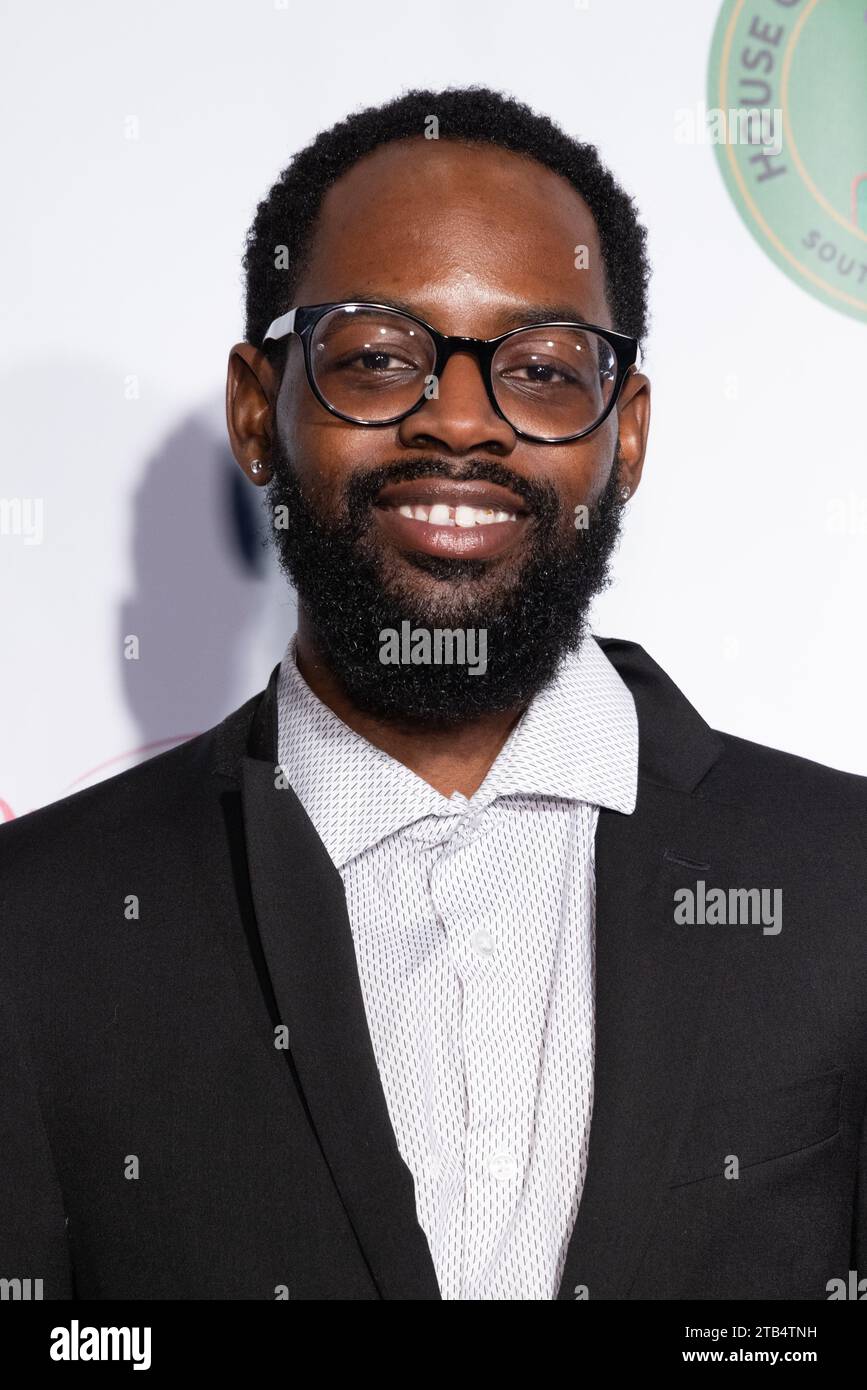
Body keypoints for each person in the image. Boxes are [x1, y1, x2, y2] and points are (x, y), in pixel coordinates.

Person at [2, 86, 865, 1302]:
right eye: (375, 356)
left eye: (547, 369)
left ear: (626, 436)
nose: (459, 420)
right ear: (259, 411)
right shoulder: (38, 928)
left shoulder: (844, 885)